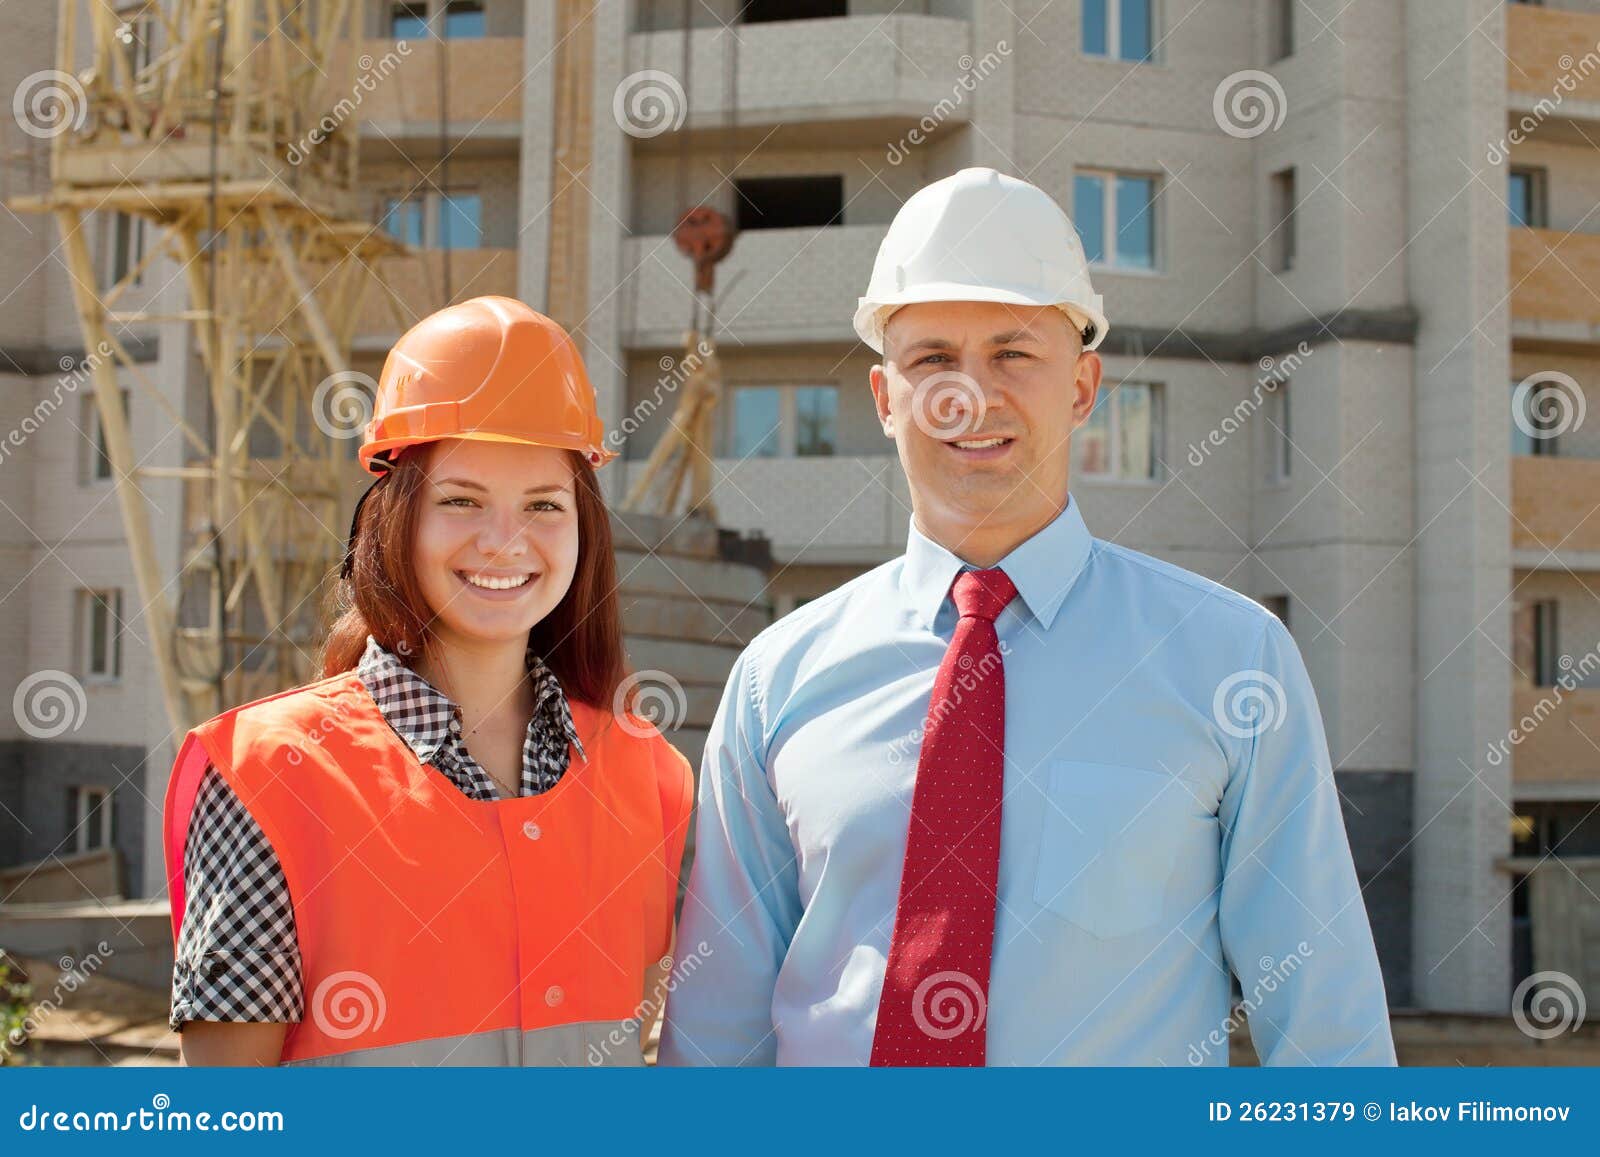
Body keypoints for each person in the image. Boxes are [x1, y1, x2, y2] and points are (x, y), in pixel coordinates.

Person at [659, 168, 1396, 1067]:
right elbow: (717, 1032)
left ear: (1083, 387)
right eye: (932, 359)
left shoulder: (1232, 661)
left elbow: (1327, 1029)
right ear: (885, 399)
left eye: (1013, 354)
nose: (970, 395)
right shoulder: (778, 679)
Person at [163, 296, 694, 1066]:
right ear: (395, 517)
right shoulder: (268, 776)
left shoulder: (646, 774)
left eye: (544, 504)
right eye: (461, 500)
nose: (505, 541)